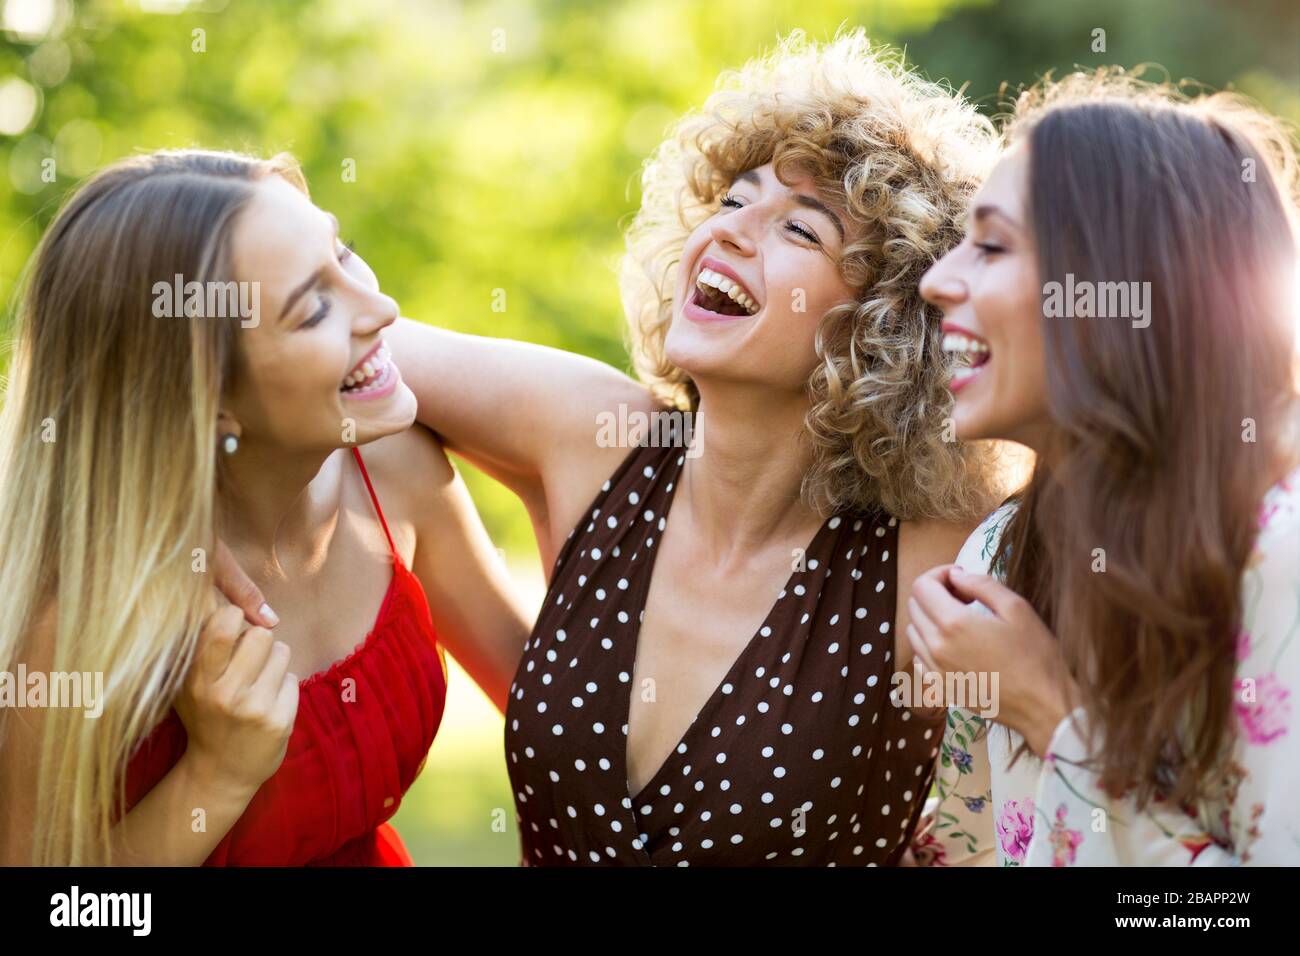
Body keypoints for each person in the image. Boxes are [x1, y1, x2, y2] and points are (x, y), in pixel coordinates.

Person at [387, 30, 1007, 865]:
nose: (733, 232)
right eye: (731, 201)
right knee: (379, 443)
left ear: (883, 324)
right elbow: (334, 338)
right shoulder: (599, 437)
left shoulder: (934, 548)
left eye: (800, 230)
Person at [0, 149, 530, 865]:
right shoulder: (71, 625)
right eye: (314, 306)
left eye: (345, 252)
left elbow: (547, 711)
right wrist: (216, 777)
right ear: (206, 400)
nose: (383, 309)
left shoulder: (394, 467)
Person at [908, 69, 1300, 865]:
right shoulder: (996, 557)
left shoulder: (1280, 554)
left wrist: (1047, 713)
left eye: (991, 246)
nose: (937, 280)